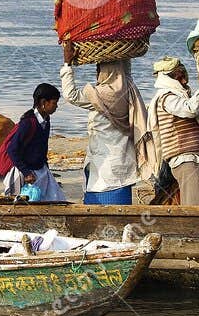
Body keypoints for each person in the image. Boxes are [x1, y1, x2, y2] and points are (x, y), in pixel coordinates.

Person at [60, 50, 153, 205]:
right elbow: (126, 73)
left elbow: (71, 95)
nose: (97, 73)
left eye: (99, 69)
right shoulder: (128, 89)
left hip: (104, 160)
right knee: (120, 209)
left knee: (101, 206)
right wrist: (124, 53)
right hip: (122, 159)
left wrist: (67, 64)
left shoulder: (99, 95)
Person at [150, 55, 199, 205]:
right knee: (198, 208)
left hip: (196, 160)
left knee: (198, 202)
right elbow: (191, 110)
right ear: (168, 78)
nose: (184, 81)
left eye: (184, 76)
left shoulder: (182, 97)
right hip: (185, 160)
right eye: (179, 77)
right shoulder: (167, 98)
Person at [0, 82, 63, 202]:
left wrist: (46, 168)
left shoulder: (46, 121)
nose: (56, 106)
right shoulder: (28, 123)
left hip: (40, 170)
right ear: (44, 102)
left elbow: (42, 147)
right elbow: (12, 149)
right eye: (54, 103)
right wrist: (26, 172)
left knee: (55, 200)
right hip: (23, 172)